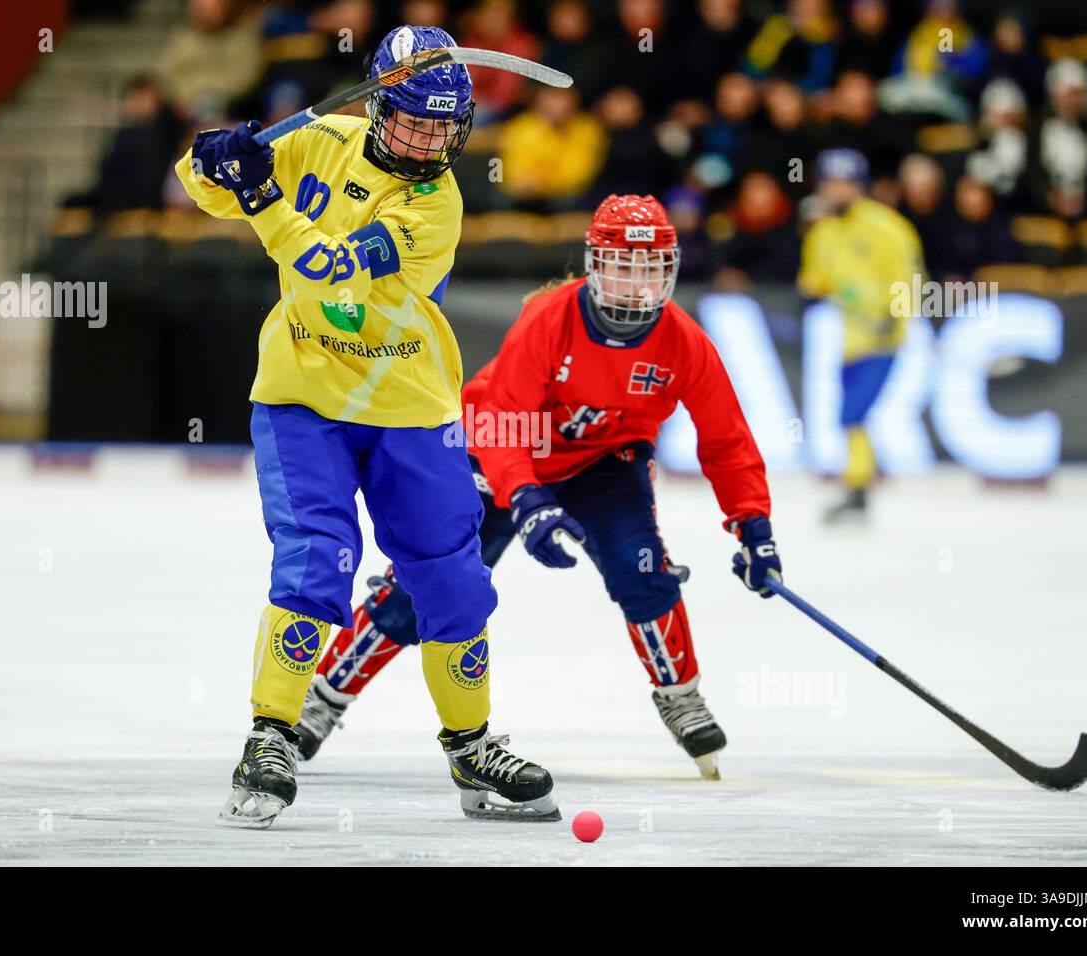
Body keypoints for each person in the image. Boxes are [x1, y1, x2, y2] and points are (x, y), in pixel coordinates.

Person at [174, 25, 558, 826]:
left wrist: (260, 198)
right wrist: (215, 157)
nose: (426, 142)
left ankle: (471, 743)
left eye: (442, 129)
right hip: (302, 397)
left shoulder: (437, 204)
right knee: (319, 557)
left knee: (451, 577)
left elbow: (328, 269)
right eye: (413, 121)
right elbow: (204, 185)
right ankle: (272, 735)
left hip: (409, 406)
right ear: (381, 105)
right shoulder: (318, 142)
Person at [292, 194, 782, 781]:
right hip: (496, 450)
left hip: (602, 460)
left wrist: (754, 527)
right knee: (427, 588)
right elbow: (502, 419)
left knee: (642, 569)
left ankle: (680, 694)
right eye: (623, 269)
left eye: (649, 271)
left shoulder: (685, 343)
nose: (634, 287)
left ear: (670, 273)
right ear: (596, 266)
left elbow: (727, 441)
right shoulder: (549, 318)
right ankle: (323, 697)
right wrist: (527, 500)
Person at [797, 149, 924, 523]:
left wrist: (894, 316)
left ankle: (858, 484)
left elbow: (910, 275)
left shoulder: (886, 227)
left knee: (853, 411)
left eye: (845, 184)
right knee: (853, 413)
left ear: (860, 187)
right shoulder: (822, 231)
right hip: (850, 340)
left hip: (885, 338)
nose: (837, 192)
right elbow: (815, 281)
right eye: (831, 184)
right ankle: (863, 479)